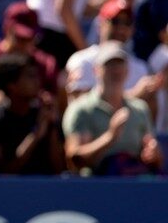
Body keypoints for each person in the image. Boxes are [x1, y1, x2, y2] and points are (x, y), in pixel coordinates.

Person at [63, 42, 163, 175]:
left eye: (120, 64)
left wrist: (153, 154)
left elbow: (155, 159)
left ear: (127, 71)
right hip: (96, 185)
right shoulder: (81, 109)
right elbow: (75, 160)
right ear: (96, 70)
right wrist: (110, 137)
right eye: (109, 64)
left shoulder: (140, 109)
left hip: (134, 184)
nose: (116, 70)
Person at [0, 53, 67, 174]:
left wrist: (51, 128)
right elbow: (4, 172)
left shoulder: (44, 115)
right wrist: (35, 136)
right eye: (30, 76)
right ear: (12, 85)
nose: (37, 81)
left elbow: (59, 170)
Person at [0, 1, 60, 97]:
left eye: (30, 39)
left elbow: (54, 100)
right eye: (20, 38)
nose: (25, 44)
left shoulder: (46, 64)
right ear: (7, 30)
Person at [65, 0, 153, 96]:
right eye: (115, 21)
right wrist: (134, 95)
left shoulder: (140, 68)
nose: (121, 29)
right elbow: (80, 101)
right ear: (100, 24)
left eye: (127, 23)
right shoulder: (83, 61)